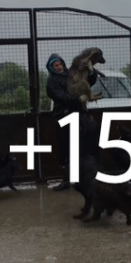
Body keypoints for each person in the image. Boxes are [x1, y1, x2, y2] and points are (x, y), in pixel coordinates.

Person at [45, 52, 96, 191]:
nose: (59, 67)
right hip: (64, 117)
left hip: (79, 116)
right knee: (66, 149)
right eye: (56, 65)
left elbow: (88, 82)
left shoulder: (71, 75)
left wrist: (91, 70)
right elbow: (61, 97)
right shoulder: (52, 82)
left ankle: (84, 179)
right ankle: (67, 180)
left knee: (82, 148)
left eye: (60, 64)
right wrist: (78, 100)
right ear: (51, 67)